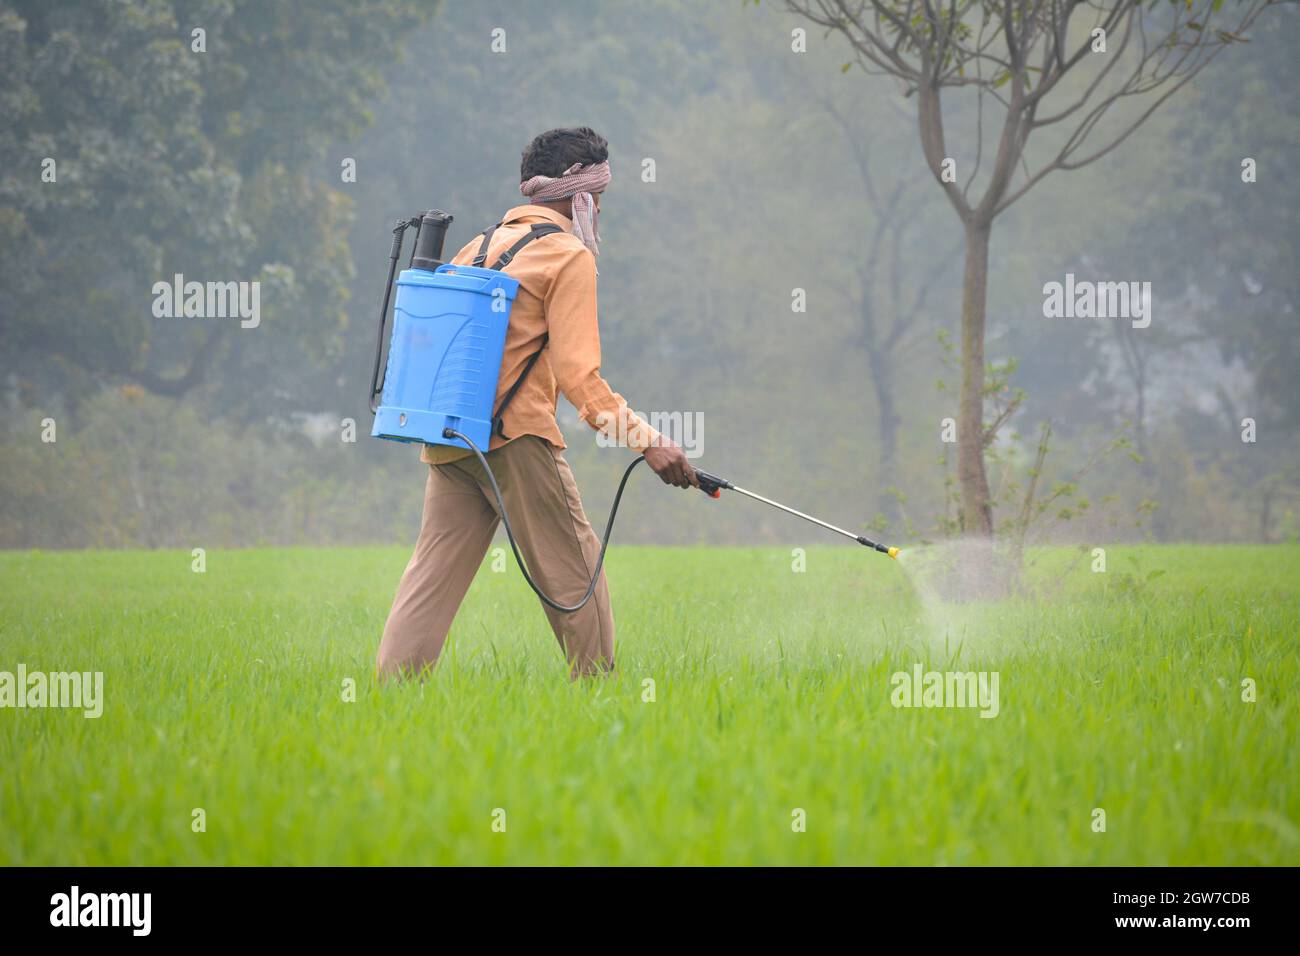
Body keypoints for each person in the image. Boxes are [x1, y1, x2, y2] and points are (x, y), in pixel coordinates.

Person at [377, 126, 697, 680]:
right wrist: (649, 441)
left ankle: (390, 695)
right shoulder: (567, 256)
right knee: (577, 573)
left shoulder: (477, 245)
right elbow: (580, 379)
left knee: (429, 580)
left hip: (452, 440)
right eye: (599, 199)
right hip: (519, 443)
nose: (600, 210)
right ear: (580, 197)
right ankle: (600, 699)